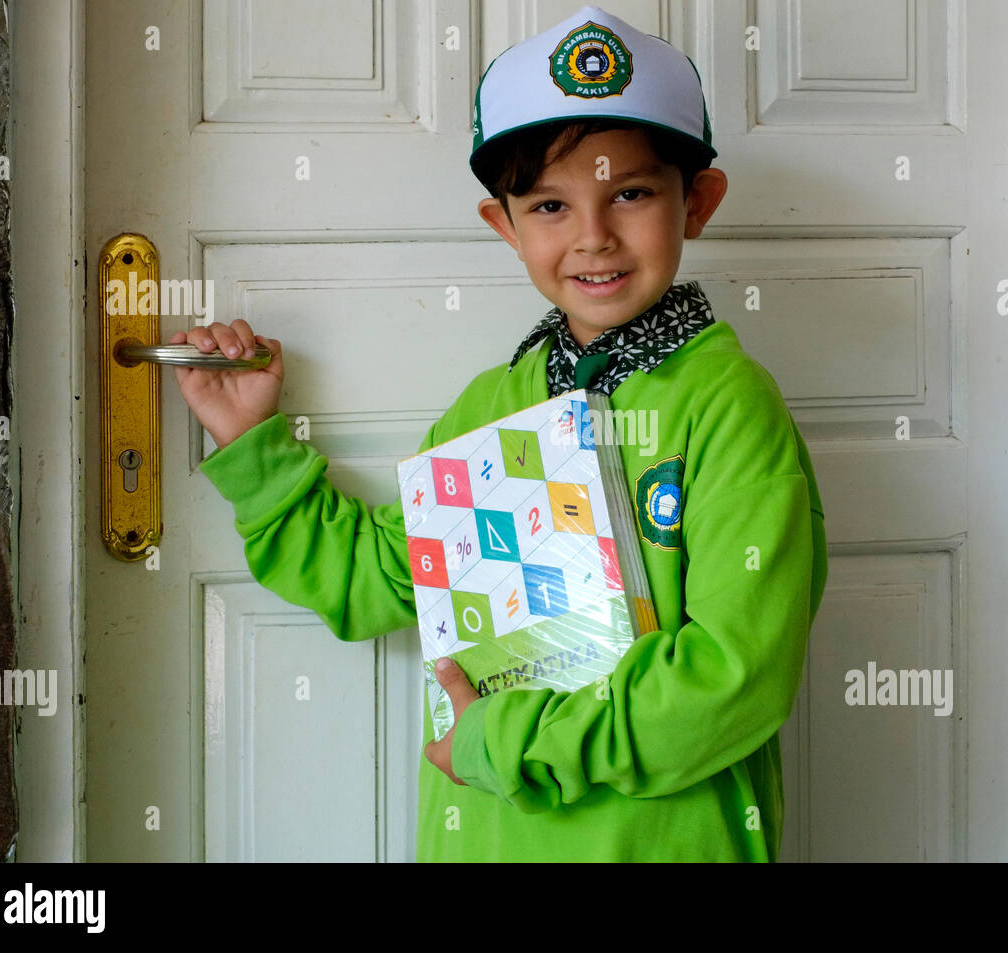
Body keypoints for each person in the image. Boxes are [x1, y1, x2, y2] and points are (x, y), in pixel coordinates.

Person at [172, 4, 827, 861]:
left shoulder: (730, 407)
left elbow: (736, 678)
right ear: (504, 226)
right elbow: (375, 581)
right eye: (551, 204)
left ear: (695, 202)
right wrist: (252, 443)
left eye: (630, 192)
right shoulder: (491, 408)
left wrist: (503, 744)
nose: (594, 236)